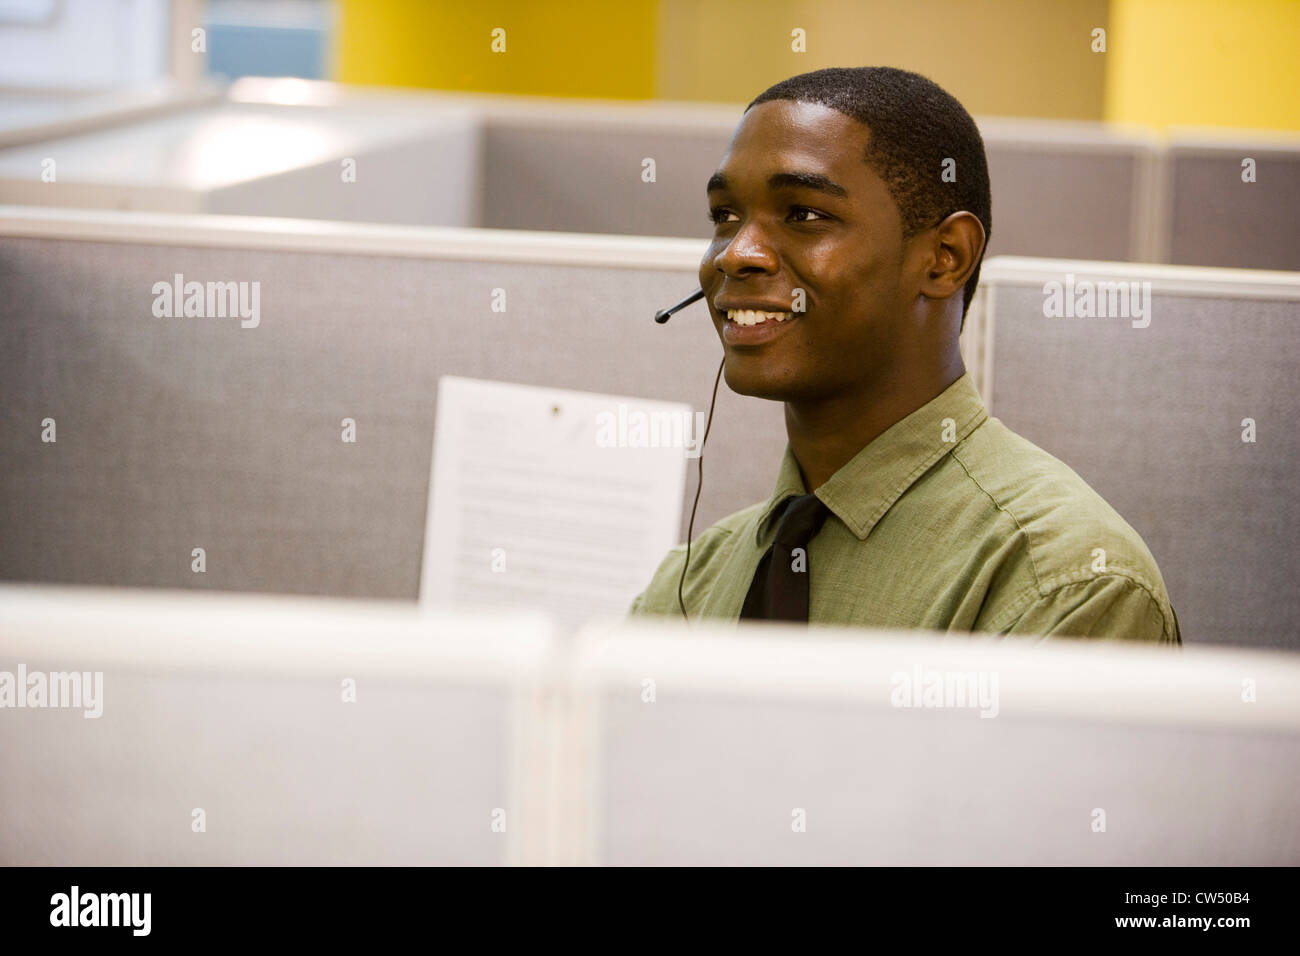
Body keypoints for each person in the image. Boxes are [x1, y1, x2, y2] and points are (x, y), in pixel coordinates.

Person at [628, 66, 1180, 643]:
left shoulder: (1062, 582)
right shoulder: (692, 584)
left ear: (945, 257)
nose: (736, 254)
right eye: (725, 216)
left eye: (805, 215)